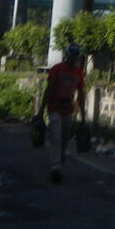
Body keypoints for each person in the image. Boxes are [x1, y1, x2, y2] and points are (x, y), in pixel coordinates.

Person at [40, 44, 85, 181]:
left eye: (76, 56)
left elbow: (81, 93)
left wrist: (83, 115)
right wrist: (41, 111)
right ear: (67, 55)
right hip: (54, 107)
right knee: (56, 136)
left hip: (68, 109)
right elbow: (48, 90)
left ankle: (60, 156)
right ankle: (55, 166)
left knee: (65, 137)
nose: (73, 59)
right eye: (72, 56)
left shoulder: (78, 73)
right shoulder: (57, 69)